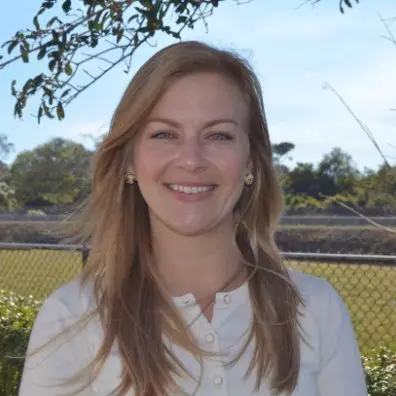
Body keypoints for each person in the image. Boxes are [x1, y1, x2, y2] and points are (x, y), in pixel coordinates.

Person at [18, 40, 368, 396]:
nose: (191, 159)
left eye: (218, 135)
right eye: (164, 134)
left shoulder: (315, 308)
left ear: (250, 161)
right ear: (128, 160)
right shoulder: (73, 317)